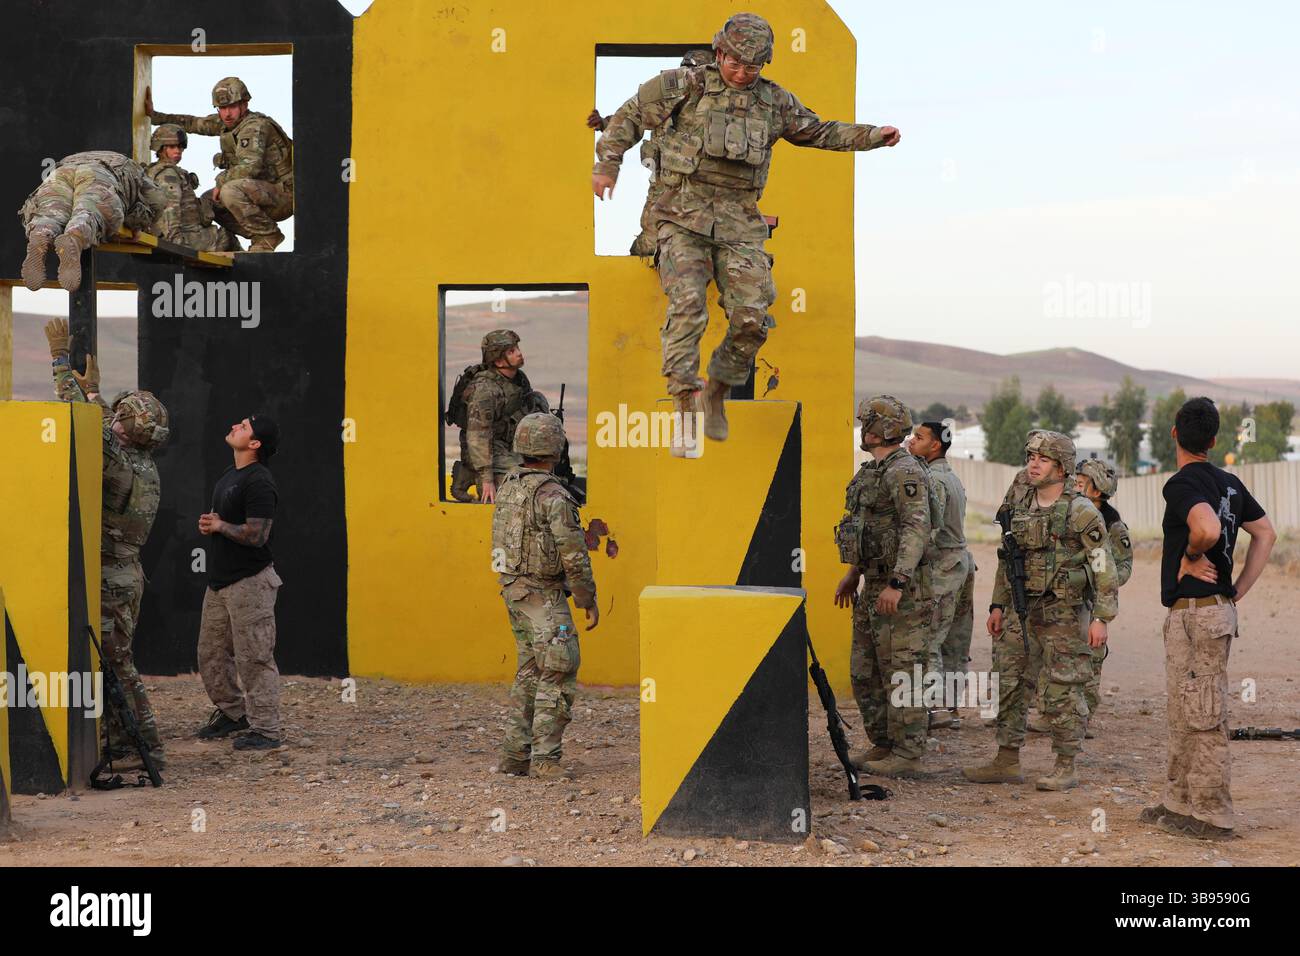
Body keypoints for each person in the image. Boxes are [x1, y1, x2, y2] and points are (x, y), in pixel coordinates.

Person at [592, 13, 900, 449]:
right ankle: (684, 401)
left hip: (739, 222)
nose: (742, 72)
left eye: (752, 66)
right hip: (681, 213)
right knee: (688, 301)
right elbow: (628, 116)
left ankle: (717, 388)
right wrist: (606, 166)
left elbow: (819, 131)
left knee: (753, 317)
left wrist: (872, 136)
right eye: (735, 62)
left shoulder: (773, 102)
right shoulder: (686, 85)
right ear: (719, 54)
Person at [1139, 397, 1275, 841]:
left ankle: (1214, 814)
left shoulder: (1182, 483)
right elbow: (1266, 533)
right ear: (1214, 441)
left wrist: (1191, 556)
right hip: (1202, 613)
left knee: (1203, 711)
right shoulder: (1229, 482)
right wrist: (1237, 591)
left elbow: (1207, 529)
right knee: (1184, 708)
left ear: (1174, 434)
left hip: (1199, 615)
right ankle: (1179, 802)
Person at [43, 318, 169, 769]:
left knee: (116, 665)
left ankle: (141, 748)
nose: (116, 413)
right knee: (117, 661)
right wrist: (94, 391)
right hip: (125, 575)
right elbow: (99, 425)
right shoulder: (139, 460)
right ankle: (128, 745)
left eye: (122, 411)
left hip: (113, 579)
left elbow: (82, 423)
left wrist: (61, 361)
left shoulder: (118, 458)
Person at [963, 431, 1117, 791]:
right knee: (1010, 681)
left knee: (1063, 689)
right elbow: (1008, 558)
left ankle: (1066, 764)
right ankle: (1007, 759)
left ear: (1061, 467)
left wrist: (1101, 618)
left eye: (1042, 459)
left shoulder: (1081, 512)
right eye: (1031, 456)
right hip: (1020, 611)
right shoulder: (1021, 505)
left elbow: (1103, 566)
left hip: (1063, 613)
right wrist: (998, 605)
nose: (1033, 464)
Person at [493, 414, 598, 778]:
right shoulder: (553, 495)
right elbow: (573, 553)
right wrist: (586, 598)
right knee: (558, 669)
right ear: (555, 448)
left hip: (515, 591)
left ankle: (514, 756)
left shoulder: (510, 485)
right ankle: (544, 761)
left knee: (530, 671)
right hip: (543, 595)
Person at [834, 396, 933, 778]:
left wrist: (897, 582)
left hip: (901, 590)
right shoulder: (873, 471)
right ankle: (883, 743)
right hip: (872, 583)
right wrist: (854, 572)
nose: (863, 428)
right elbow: (867, 529)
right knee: (866, 670)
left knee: (904, 670)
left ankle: (907, 752)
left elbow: (916, 528)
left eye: (869, 422)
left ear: (885, 429)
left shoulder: (904, 472)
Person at [195, 415, 284, 750]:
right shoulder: (230, 476)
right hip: (220, 583)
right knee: (211, 653)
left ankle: (267, 730)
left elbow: (258, 535)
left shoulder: (259, 481)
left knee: (254, 657)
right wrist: (212, 523)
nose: (234, 426)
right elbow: (229, 523)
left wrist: (219, 527)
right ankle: (234, 715)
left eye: (244, 427)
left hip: (250, 583)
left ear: (255, 444)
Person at [1029, 457, 1131, 738]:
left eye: (1081, 483)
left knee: (1089, 662)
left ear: (1097, 491)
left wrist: (1091, 578)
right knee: (1054, 658)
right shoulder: (1068, 513)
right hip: (1062, 601)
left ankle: (1081, 717)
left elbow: (1122, 567)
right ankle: (1050, 713)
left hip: (1091, 602)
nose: (1074, 485)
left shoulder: (1112, 525)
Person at [587, 49, 714, 258]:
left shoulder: (715, 110)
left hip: (703, 196)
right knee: (648, 245)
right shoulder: (665, 104)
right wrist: (603, 124)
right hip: (662, 190)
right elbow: (634, 118)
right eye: (686, 72)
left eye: (694, 73)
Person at [147, 77, 293, 252]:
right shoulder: (227, 123)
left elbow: (250, 167)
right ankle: (259, 235)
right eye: (222, 108)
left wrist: (221, 180)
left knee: (229, 191)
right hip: (258, 192)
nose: (227, 114)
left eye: (231, 107)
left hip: (283, 195)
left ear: (244, 105)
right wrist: (155, 116)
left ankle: (268, 235)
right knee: (209, 202)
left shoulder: (255, 127)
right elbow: (193, 123)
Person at [20, 151, 167, 291]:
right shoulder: (132, 167)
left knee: (51, 213)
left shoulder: (74, 157)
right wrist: (137, 224)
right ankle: (74, 238)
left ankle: (40, 235)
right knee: (88, 214)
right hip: (99, 175)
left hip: (59, 172)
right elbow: (158, 200)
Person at [910, 420, 975, 729]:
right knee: (954, 642)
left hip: (942, 568)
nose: (911, 441)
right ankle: (950, 708)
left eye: (918, 437)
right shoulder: (951, 477)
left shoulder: (932, 480)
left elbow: (926, 530)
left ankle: (934, 708)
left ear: (935, 445)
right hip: (961, 563)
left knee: (929, 639)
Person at [451, 329, 549, 503]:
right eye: (511, 351)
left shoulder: (518, 378)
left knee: (536, 401)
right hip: (485, 448)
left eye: (517, 347)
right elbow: (477, 436)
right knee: (525, 476)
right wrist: (487, 478)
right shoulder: (485, 390)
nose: (519, 353)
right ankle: (472, 473)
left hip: (508, 443)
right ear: (498, 360)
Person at [145, 123, 240, 252]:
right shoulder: (168, 174)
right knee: (226, 237)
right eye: (172, 147)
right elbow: (170, 208)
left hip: (183, 233)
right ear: (160, 149)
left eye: (180, 147)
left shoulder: (159, 171)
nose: (177, 151)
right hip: (183, 236)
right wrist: (175, 243)